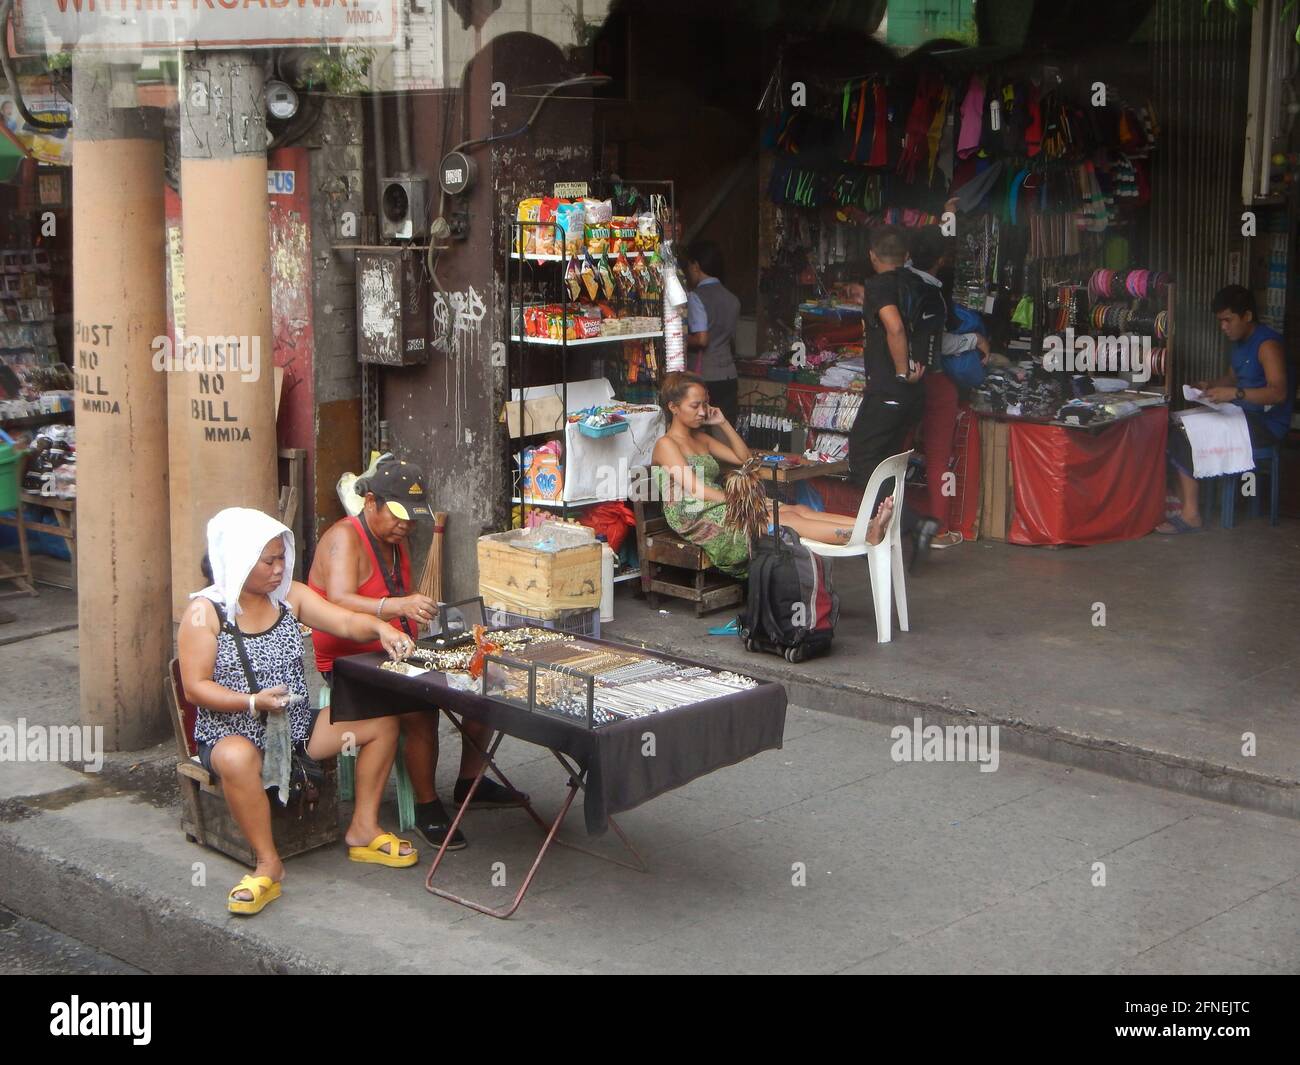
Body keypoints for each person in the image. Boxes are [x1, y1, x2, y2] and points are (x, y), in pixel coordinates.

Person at [178, 508, 417, 917]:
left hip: (295, 725)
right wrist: (251, 702)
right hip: (231, 732)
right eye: (268, 561)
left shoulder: (288, 596)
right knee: (237, 757)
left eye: (280, 558)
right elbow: (195, 687)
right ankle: (267, 864)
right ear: (238, 562)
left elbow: (341, 620)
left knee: (382, 723)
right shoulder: (206, 612)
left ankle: (363, 828)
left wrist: (381, 628)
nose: (278, 569)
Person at [308, 456, 526, 851]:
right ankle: (427, 805)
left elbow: (400, 604)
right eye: (396, 515)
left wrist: (419, 619)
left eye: (410, 517)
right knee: (419, 707)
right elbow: (338, 600)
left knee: (485, 681)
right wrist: (398, 607)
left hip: (394, 647)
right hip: (351, 660)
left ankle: (469, 783)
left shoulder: (397, 540)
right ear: (370, 502)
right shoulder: (343, 538)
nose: (404, 525)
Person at [651, 371, 893, 577]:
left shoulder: (702, 438)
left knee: (797, 509)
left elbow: (744, 460)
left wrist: (723, 423)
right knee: (783, 520)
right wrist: (743, 502)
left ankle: (868, 525)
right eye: (695, 406)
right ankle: (863, 534)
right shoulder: (666, 444)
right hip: (694, 513)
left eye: (705, 404)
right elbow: (695, 489)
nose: (703, 412)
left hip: (717, 503)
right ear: (673, 407)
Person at [1158, 285, 1293, 533]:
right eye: (1220, 321)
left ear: (1247, 316)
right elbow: (1232, 379)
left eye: (1227, 320)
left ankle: (1191, 515)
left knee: (1188, 433)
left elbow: (1278, 392)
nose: (1223, 327)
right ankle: (1183, 503)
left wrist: (1235, 394)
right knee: (1175, 423)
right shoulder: (1239, 344)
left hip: (1266, 425)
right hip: (1241, 416)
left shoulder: (1267, 346)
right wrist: (1209, 387)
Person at [848, 225, 941, 560]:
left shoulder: (879, 285)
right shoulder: (920, 283)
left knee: (862, 460)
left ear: (873, 255)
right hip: (914, 392)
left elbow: (895, 326)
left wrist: (902, 371)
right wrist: (920, 368)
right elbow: (931, 330)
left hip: (891, 387)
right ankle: (887, 532)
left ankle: (913, 523)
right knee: (886, 462)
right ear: (905, 257)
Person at [907, 224, 991, 550]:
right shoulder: (933, 293)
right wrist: (975, 339)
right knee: (939, 457)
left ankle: (885, 521)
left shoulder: (896, 285)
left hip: (900, 381)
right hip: (934, 381)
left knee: (897, 455)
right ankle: (938, 529)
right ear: (940, 260)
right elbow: (939, 344)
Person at [684, 239, 743, 426]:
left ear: (696, 266)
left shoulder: (696, 297)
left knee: (702, 433)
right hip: (729, 374)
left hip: (705, 376)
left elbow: (702, 339)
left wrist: (680, 340)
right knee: (725, 428)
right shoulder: (732, 299)